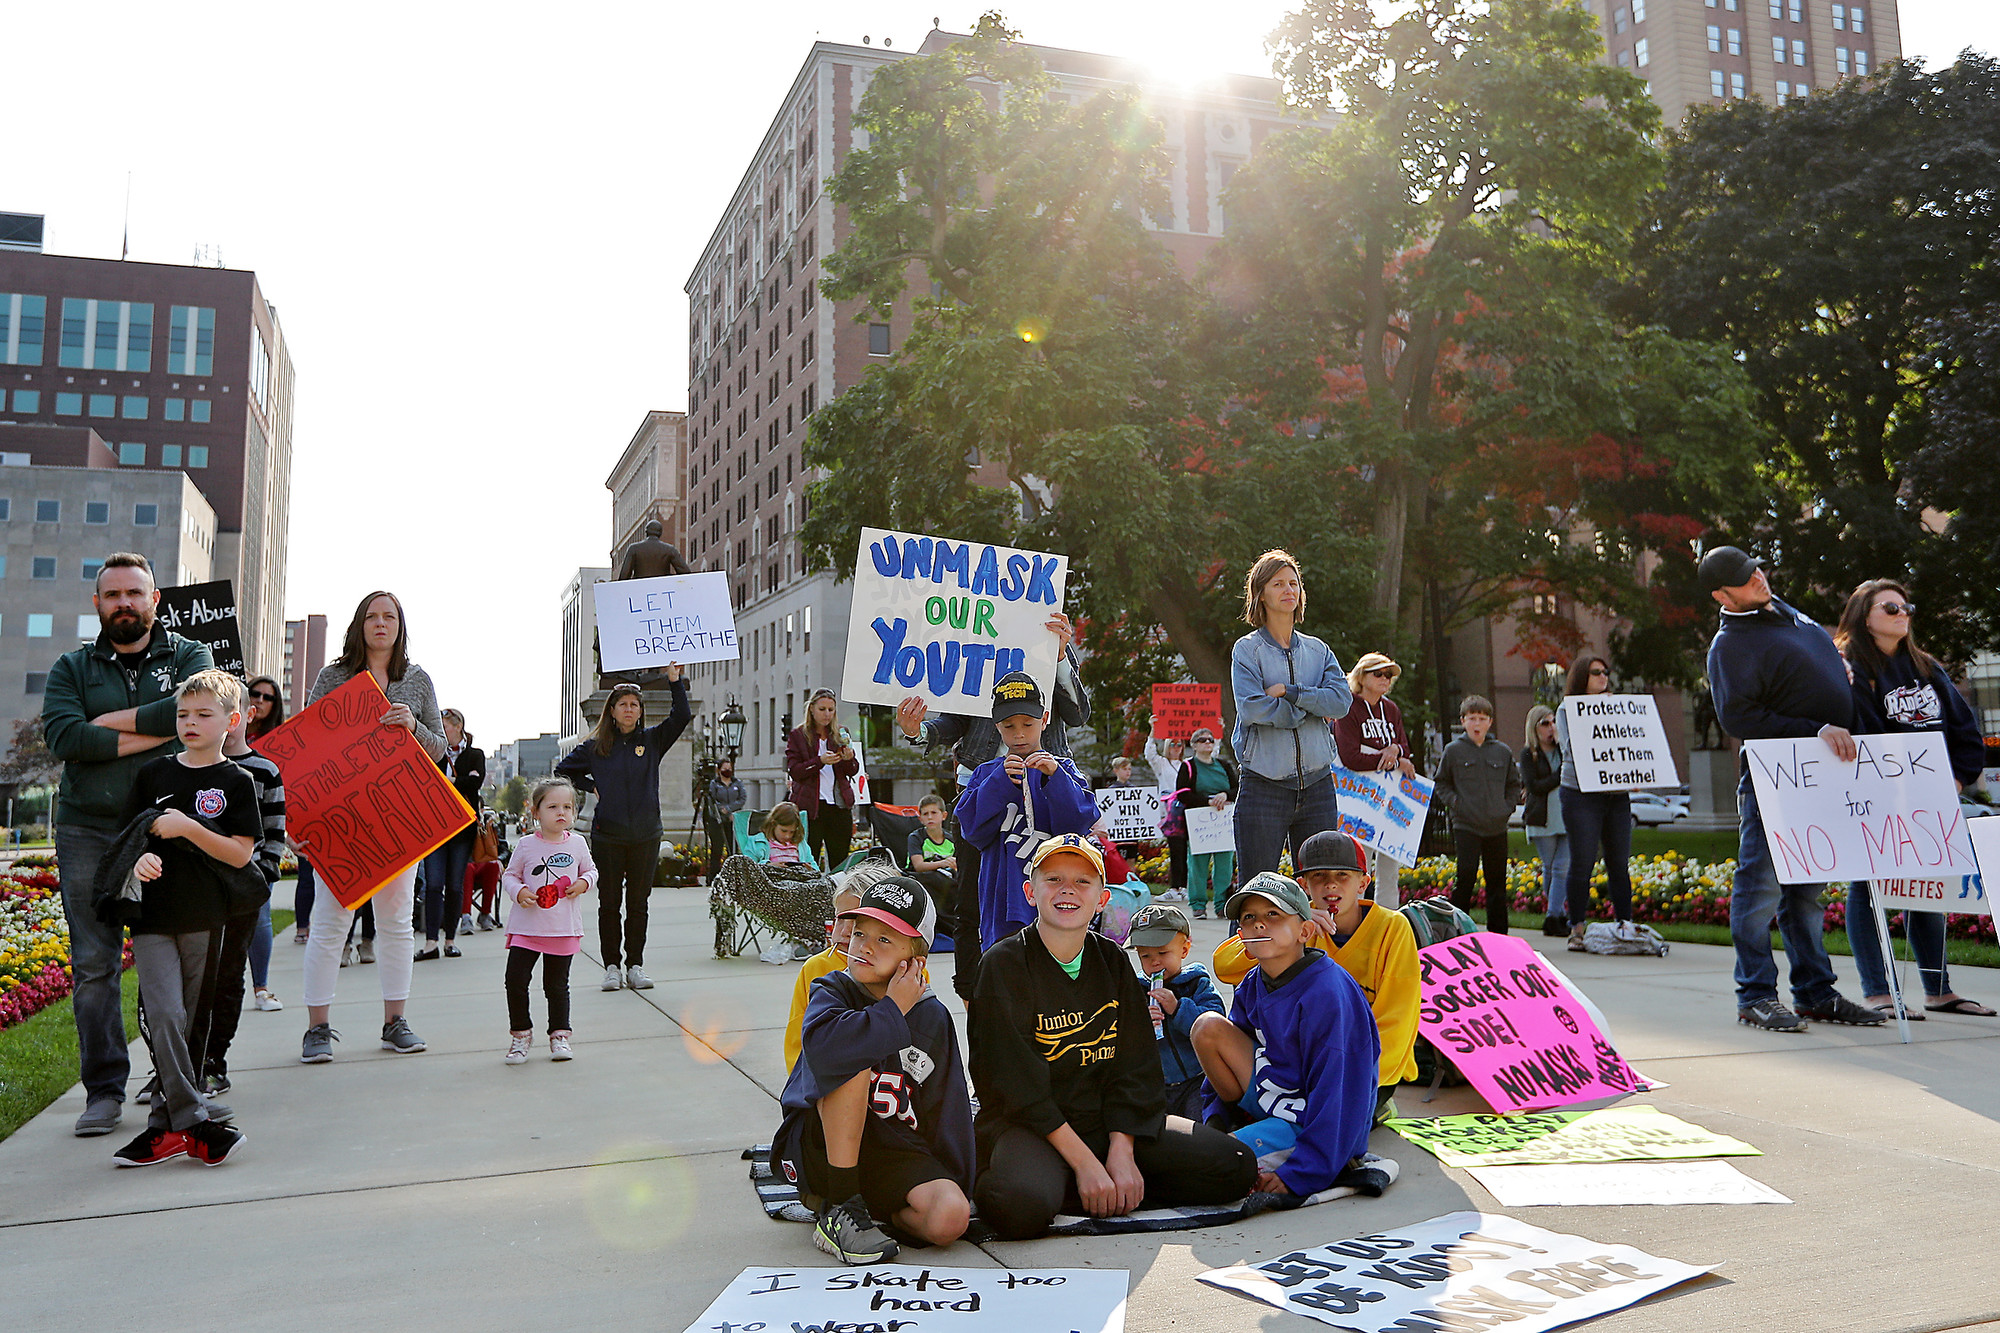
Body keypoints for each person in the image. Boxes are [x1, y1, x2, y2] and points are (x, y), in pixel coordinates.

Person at [970, 835, 1257, 1239]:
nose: (1068, 889)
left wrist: (1121, 1152)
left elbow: (1135, 1065)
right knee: (1020, 1207)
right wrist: (1086, 1164)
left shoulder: (1112, 962)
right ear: (1030, 892)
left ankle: (1102, 1186)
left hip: (1108, 1121)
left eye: (1083, 882)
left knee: (1237, 1164)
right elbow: (1012, 1084)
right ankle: (1069, 1182)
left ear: (1102, 899)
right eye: (1053, 879)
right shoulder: (1002, 965)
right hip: (1036, 1127)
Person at [42, 552, 213, 1137]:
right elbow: (64, 736)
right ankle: (104, 1089)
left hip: (167, 826)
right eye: (112, 595)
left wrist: (109, 722)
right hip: (88, 829)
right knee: (95, 967)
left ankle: (174, 1081)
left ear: (154, 599)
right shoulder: (71, 666)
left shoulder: (189, 656)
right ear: (97, 604)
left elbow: (198, 712)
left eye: (134, 594)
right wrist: (157, 728)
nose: (124, 604)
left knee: (177, 961)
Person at [1703, 545, 1885, 1031]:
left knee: (1806, 894)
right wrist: (1816, 729)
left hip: (1821, 776)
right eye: (1745, 578)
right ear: (1722, 594)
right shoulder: (1729, 645)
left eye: (1756, 568)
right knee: (1760, 887)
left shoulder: (1790, 615)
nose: (1758, 578)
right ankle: (1756, 994)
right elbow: (1739, 716)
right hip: (1776, 777)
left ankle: (1814, 992)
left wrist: (1838, 668)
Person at [775, 875, 974, 1264]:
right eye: (861, 932)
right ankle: (842, 1204)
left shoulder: (932, 1015)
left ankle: (873, 1215)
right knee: (852, 1057)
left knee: (951, 1218)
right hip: (822, 1149)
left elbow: (947, 1105)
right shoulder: (831, 989)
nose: (864, 947)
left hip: (893, 1149)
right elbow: (828, 1052)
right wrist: (891, 1010)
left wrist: (951, 1179)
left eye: (884, 939)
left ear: (915, 959)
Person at [108, 670, 257, 1167]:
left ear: (231, 722)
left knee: (191, 1022)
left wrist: (190, 827)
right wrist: (137, 860)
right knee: (164, 1015)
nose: (190, 722)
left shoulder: (237, 782)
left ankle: (162, 1128)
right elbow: (128, 838)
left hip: (206, 917)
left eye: (203, 715)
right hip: (151, 917)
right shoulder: (153, 774)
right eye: (182, 714)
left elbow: (240, 855)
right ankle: (194, 1121)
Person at [299, 591, 446, 1063]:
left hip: (399, 818)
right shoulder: (333, 676)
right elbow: (307, 745)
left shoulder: (417, 680)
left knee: (397, 921)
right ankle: (317, 1029)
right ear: (359, 624)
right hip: (343, 819)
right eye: (372, 616)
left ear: (401, 626)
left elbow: (441, 748)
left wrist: (414, 729)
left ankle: (394, 1021)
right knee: (329, 923)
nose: (380, 623)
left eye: (390, 616)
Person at [1835, 579, 1992, 1017]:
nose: (1902, 613)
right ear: (1864, 616)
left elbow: (1964, 730)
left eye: (1906, 607)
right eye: (1890, 607)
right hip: (1875, 796)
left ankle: (1938, 990)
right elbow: (1861, 730)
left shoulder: (1926, 667)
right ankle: (1877, 990)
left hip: (1935, 799)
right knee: (1870, 887)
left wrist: (1959, 780)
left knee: (1928, 889)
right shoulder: (1846, 666)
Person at [1191, 872, 1386, 1201]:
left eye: (1273, 915)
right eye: (1249, 918)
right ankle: (1240, 1127)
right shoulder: (1254, 981)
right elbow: (1235, 1043)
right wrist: (1215, 1120)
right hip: (1273, 1095)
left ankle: (1291, 1150)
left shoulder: (1329, 993)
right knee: (1206, 1027)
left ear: (1305, 931)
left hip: (1315, 1119)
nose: (1259, 925)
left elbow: (1341, 1089)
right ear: (1242, 937)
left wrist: (1302, 1172)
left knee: (1203, 1166)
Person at [1209, 831, 1418, 1116]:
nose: (1331, 885)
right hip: (1299, 1065)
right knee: (1209, 1034)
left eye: (1342, 875)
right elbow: (1223, 965)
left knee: (1314, 1125)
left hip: (1361, 1070)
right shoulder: (1300, 925)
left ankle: (1374, 1109)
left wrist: (1355, 1084)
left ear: (1363, 882)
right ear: (1303, 885)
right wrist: (1293, 923)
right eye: (1319, 876)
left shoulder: (1393, 929)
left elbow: (1396, 1025)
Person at [953, 672, 1099, 1001]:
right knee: (1006, 989)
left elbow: (1078, 825)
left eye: (1027, 724)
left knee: (1056, 988)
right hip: (1002, 903)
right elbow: (972, 829)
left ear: (1045, 720)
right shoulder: (985, 773)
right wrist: (999, 783)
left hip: (1055, 902)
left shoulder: (1064, 769)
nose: (1019, 734)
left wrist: (1054, 779)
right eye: (1009, 726)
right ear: (996, 726)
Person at [556, 669, 692, 992]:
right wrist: (590, 786)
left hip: (646, 835)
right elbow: (563, 771)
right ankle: (612, 967)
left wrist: (674, 681)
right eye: (623, 704)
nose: (629, 709)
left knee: (638, 903)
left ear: (640, 711)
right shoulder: (596, 747)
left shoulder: (653, 740)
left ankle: (635, 964)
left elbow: (682, 715)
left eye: (634, 704)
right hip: (609, 836)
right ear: (612, 710)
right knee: (609, 902)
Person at [1230, 550, 1352, 881]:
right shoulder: (1246, 650)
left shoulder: (1319, 650)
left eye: (1294, 583)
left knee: (1323, 889)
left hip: (1318, 785)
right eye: (1278, 583)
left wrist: (1292, 692)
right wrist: (1307, 711)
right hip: (1263, 785)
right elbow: (1252, 706)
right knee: (1255, 892)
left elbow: (1341, 702)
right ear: (1260, 593)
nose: (1289, 590)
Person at [197, 703, 288, 1097]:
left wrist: (260, 878)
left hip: (240, 894)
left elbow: (275, 834)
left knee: (228, 977)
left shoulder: (265, 771)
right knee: (187, 982)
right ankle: (176, 1065)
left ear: (243, 717)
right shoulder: (179, 769)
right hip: (191, 893)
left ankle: (214, 1060)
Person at [894, 614, 1090, 777]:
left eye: (1028, 723)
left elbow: (1077, 716)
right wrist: (918, 731)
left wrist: (1059, 659)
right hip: (979, 776)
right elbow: (956, 720)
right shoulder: (970, 647)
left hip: (1046, 774)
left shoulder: (1053, 646)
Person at [500, 778, 599, 1063]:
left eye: (567, 807)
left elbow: (592, 871)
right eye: (553, 806)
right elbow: (510, 875)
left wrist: (583, 882)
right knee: (515, 979)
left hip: (562, 927)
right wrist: (519, 892)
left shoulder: (578, 844)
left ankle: (559, 1036)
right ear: (535, 811)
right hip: (527, 927)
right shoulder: (527, 845)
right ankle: (520, 1035)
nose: (561, 813)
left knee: (556, 985)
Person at [783, 859, 908, 1075]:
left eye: (858, 923)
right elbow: (798, 1043)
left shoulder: (907, 969)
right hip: (829, 1078)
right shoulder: (817, 968)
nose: (844, 932)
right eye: (840, 919)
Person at [1555, 657, 1638, 950]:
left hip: (1616, 795)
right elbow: (1571, 749)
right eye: (1596, 672)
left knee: (1618, 862)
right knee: (1583, 861)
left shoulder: (1619, 707)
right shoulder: (1567, 709)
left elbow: (1631, 743)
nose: (1603, 676)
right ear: (1582, 677)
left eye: (1606, 672)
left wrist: (1634, 769)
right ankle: (1577, 926)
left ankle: (1624, 924)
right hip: (1580, 793)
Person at [1128, 903, 1225, 1121]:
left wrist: (1178, 1008)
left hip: (1197, 1079)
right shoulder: (1135, 989)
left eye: (1162, 952)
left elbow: (1216, 1021)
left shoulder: (1196, 983)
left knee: (1200, 1126)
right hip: (1155, 1083)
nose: (1154, 962)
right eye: (1145, 956)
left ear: (1184, 949)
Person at [1333, 652, 1416, 901]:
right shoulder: (1347, 707)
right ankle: (1354, 925)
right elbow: (1350, 757)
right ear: (1361, 676)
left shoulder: (1391, 709)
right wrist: (1390, 762)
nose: (1385, 679)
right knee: (1359, 868)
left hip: (1388, 802)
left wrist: (1396, 751)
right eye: (1378, 673)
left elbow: (1405, 746)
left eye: (1388, 675)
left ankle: (1388, 925)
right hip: (1359, 801)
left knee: (1390, 872)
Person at [1433, 696, 1521, 934]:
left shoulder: (1502, 752)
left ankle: (1498, 937)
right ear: (1463, 721)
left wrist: (1506, 808)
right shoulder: (1453, 751)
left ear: (1490, 722)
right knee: (1466, 878)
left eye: (1482, 719)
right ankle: (1457, 933)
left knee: (1497, 885)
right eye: (1472, 718)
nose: (1477, 723)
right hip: (1466, 825)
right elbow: (1442, 783)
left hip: (1496, 827)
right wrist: (1456, 804)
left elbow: (1514, 785)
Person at [710, 803, 834, 959]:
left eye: (791, 832)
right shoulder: (757, 842)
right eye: (784, 831)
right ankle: (803, 939)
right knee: (792, 891)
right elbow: (749, 869)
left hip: (801, 881)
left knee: (823, 888)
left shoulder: (801, 844)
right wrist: (769, 865)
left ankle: (813, 938)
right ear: (773, 824)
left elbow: (815, 869)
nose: (788, 836)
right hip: (773, 885)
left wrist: (808, 868)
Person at [418, 708, 485, 961]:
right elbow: (426, 783)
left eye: (444, 728)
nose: (441, 732)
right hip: (434, 827)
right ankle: (430, 942)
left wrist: (450, 782)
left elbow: (475, 784)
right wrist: (462, 781)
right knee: (433, 884)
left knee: (455, 885)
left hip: (462, 830)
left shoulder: (474, 755)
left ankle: (450, 941)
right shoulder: (432, 753)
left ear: (458, 727)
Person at [786, 689, 861, 873]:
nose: (827, 714)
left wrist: (849, 758)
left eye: (831, 709)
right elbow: (795, 771)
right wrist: (819, 761)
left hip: (839, 805)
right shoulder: (798, 735)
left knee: (840, 861)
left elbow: (853, 770)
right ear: (811, 709)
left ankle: (836, 898)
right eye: (822, 709)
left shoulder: (841, 733)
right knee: (807, 859)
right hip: (811, 807)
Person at [1520, 705, 1570, 938]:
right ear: (1535, 727)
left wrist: (1563, 745)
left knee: (1562, 867)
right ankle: (1557, 915)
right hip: (1543, 819)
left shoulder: (1565, 751)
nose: (1551, 728)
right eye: (1545, 723)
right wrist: (1560, 773)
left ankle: (1553, 915)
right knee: (1551, 868)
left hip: (1569, 816)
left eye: (1553, 722)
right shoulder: (1529, 754)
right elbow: (1534, 787)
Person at [1177, 728, 1238, 919]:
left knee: (1224, 865)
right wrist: (1207, 801)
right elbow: (1182, 793)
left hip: (1222, 822)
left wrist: (1225, 795)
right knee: (1197, 865)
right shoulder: (1188, 766)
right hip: (1199, 822)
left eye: (1210, 740)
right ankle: (1198, 904)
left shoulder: (1224, 765)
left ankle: (1222, 904)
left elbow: (1237, 787)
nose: (1207, 743)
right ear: (1194, 745)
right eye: (1202, 740)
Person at [1144, 724, 1190, 898]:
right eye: (1172, 744)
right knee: (1175, 850)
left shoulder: (1188, 764)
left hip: (1188, 810)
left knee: (1189, 852)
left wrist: (1216, 739)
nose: (1176, 748)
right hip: (1171, 814)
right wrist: (1153, 730)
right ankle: (1175, 887)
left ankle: (1185, 888)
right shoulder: (1162, 764)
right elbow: (1149, 754)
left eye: (1179, 745)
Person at [905, 794, 958, 926]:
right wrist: (942, 863)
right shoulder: (916, 838)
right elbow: (918, 866)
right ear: (920, 818)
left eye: (934, 813)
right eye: (925, 814)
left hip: (949, 882)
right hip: (923, 879)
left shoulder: (952, 839)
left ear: (944, 816)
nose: (929, 817)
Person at [465, 808, 506, 932]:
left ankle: (485, 913)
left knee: (493, 866)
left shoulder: (490, 826)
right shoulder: (462, 826)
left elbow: (504, 849)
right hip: (466, 865)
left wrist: (499, 859)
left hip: (484, 865)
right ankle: (465, 915)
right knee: (467, 868)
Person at [705, 758, 746, 879]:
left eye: (729, 769)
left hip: (732, 819)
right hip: (717, 819)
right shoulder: (715, 783)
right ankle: (713, 875)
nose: (727, 771)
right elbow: (712, 800)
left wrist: (729, 809)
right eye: (725, 769)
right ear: (719, 770)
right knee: (717, 848)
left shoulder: (737, 783)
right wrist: (721, 810)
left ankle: (733, 875)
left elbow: (742, 799)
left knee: (732, 848)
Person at [244, 675, 286, 742]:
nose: (260, 700)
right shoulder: (228, 731)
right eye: (255, 694)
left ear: (275, 705)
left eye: (267, 698)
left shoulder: (278, 740)